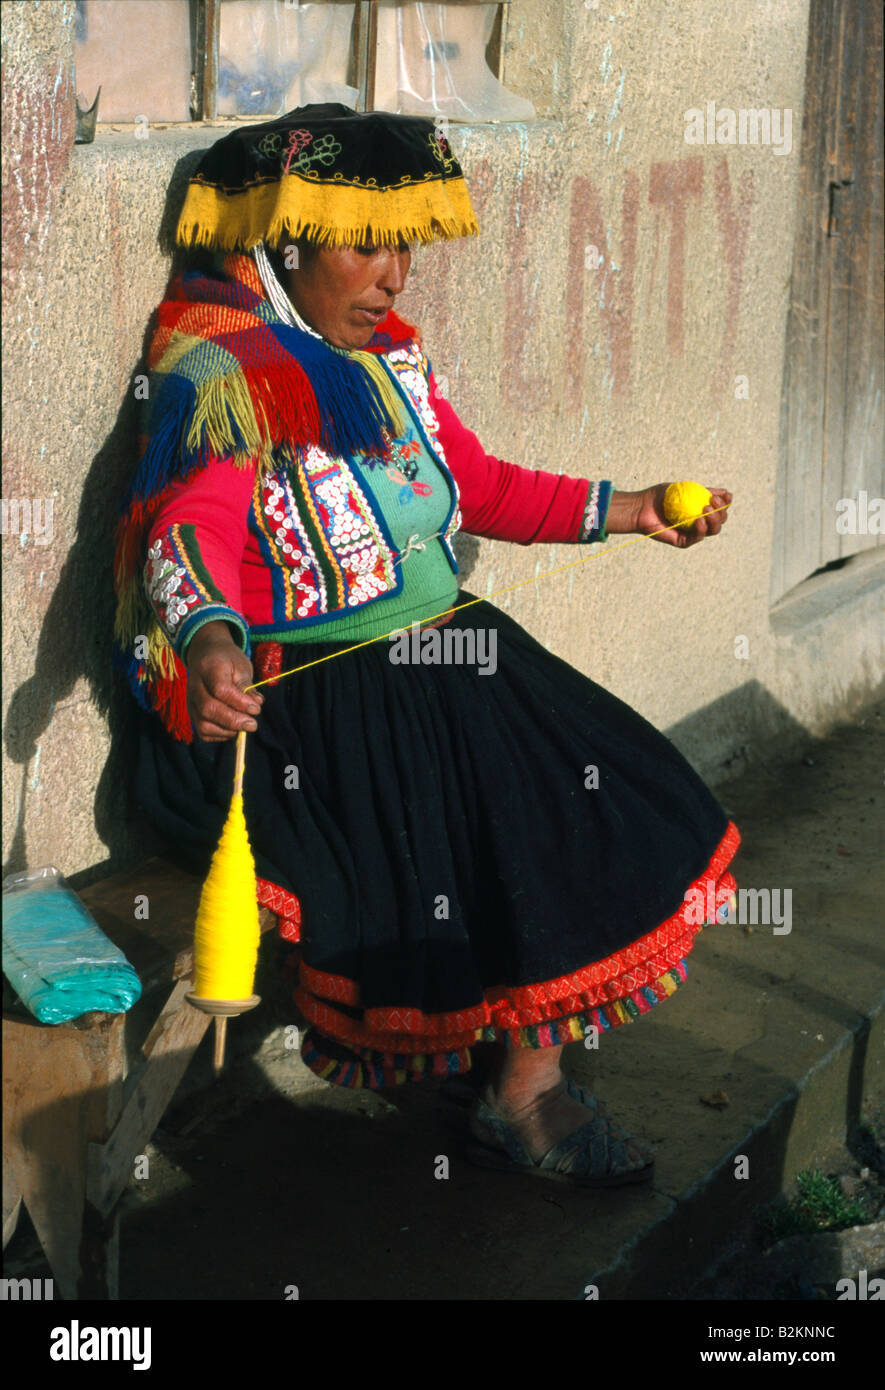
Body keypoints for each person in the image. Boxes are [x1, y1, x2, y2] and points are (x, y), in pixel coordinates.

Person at [114, 104, 739, 1188]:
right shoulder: (221, 377)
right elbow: (187, 530)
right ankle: (527, 1092)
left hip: (448, 661)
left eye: (405, 245)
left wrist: (630, 508)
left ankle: (522, 1080)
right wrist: (211, 638)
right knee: (502, 809)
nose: (397, 276)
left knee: (580, 801)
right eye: (368, 245)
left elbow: (483, 485)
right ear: (283, 245)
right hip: (321, 701)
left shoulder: (393, 362)